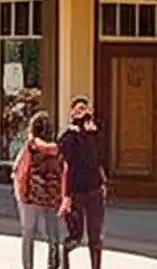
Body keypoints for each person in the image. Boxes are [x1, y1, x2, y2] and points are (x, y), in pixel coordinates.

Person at [58, 96, 107, 269]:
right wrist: (74, 130)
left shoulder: (94, 134)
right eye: (78, 109)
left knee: (95, 236)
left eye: (84, 109)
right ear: (72, 113)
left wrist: (92, 130)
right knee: (75, 236)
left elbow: (101, 153)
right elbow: (64, 152)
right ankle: (64, 259)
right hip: (76, 192)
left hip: (94, 190)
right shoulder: (68, 137)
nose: (82, 113)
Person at [13, 110, 62, 269]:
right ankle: (53, 264)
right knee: (53, 233)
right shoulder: (56, 149)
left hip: (30, 194)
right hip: (52, 194)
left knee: (28, 233)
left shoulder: (31, 145)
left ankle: (28, 266)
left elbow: (17, 167)